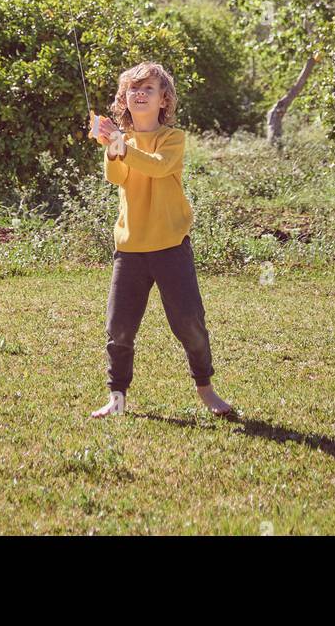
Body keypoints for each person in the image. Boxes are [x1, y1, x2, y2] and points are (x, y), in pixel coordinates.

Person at [90, 60, 234, 419]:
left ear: (164, 100)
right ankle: (117, 397)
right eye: (133, 89)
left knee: (189, 324)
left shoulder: (174, 139)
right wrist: (112, 146)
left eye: (148, 89)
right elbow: (116, 175)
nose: (140, 94)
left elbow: (156, 165)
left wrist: (122, 144)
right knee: (118, 329)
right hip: (130, 250)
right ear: (123, 99)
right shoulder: (122, 142)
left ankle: (206, 389)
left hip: (171, 247)